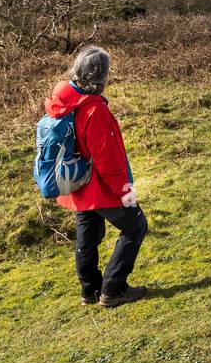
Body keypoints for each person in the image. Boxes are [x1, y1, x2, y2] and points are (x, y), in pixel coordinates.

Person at [44, 45, 148, 308]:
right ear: (101, 76)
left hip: (76, 185)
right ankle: (113, 289)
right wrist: (125, 191)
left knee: (86, 237)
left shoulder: (64, 101)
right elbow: (107, 159)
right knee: (135, 227)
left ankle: (89, 291)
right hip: (100, 187)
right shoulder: (95, 110)